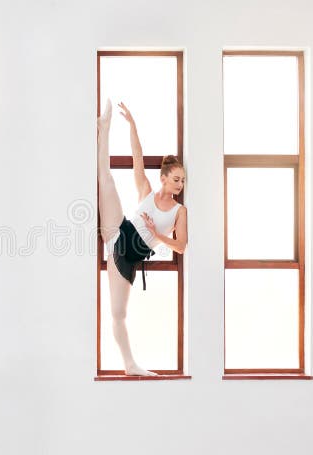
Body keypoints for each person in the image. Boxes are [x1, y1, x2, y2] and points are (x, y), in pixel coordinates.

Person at [97, 100, 188, 376]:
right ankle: (104, 128)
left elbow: (181, 247)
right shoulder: (147, 191)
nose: (180, 184)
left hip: (126, 258)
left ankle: (130, 365)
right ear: (163, 178)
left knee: (117, 314)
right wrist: (133, 126)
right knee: (105, 179)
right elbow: (137, 157)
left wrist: (159, 234)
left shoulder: (179, 212)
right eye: (176, 179)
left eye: (182, 180)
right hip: (117, 231)